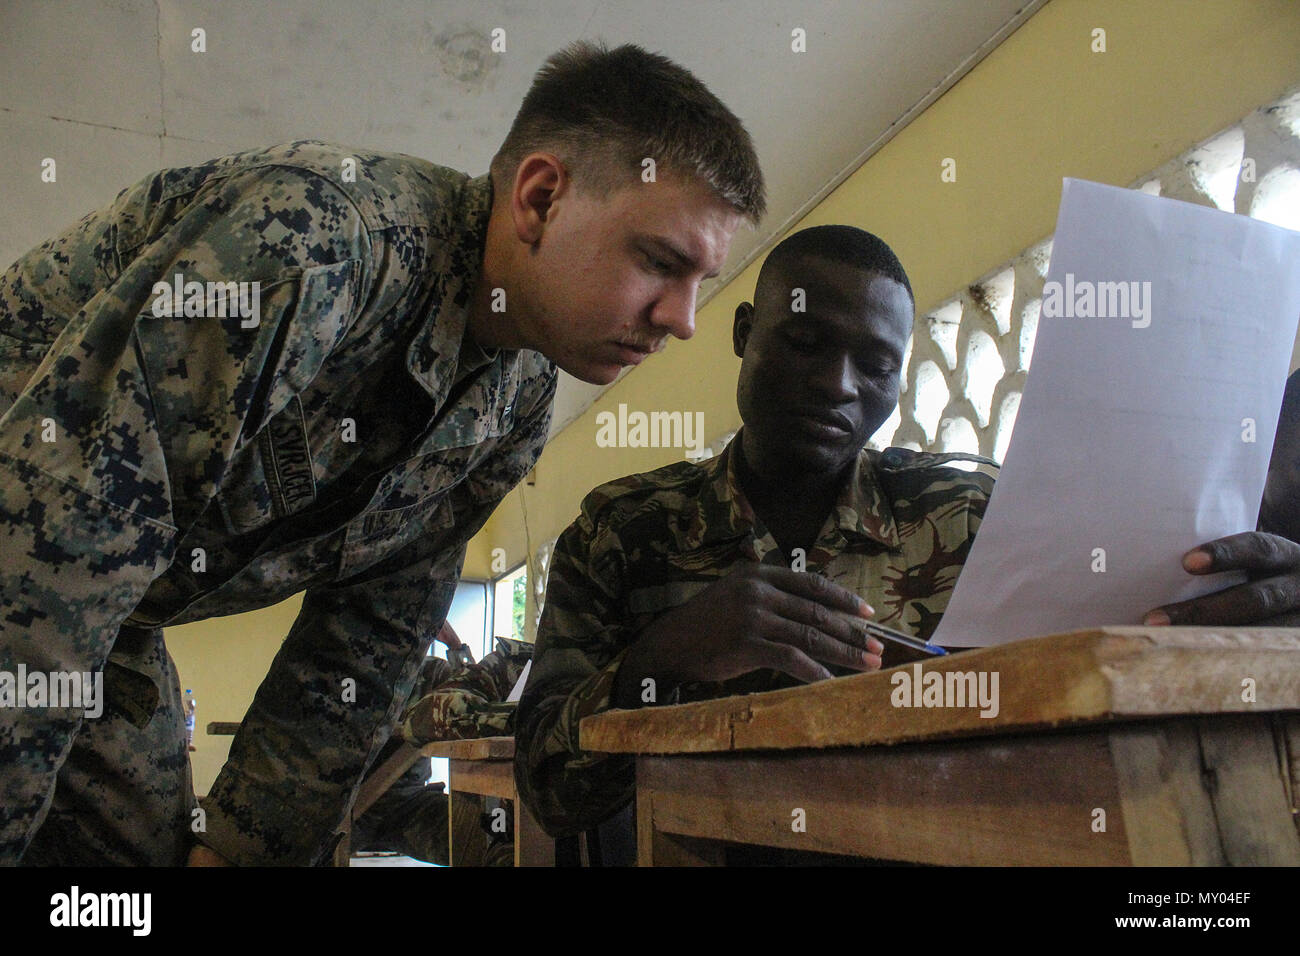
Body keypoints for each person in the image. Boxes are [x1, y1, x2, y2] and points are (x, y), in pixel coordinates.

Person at [0, 40, 764, 866]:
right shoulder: (318, 242)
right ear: (541, 198)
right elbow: (51, 552)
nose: (683, 319)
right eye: (660, 262)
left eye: (701, 282)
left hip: (109, 623)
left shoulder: (515, 401)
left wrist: (236, 852)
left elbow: (369, 641)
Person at [514, 224, 1300, 839]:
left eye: (877, 364)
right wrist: (661, 662)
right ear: (745, 331)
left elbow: (1148, 646)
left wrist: (1255, 608)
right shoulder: (623, 529)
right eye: (807, 342)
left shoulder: (972, 513)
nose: (836, 385)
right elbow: (547, 793)